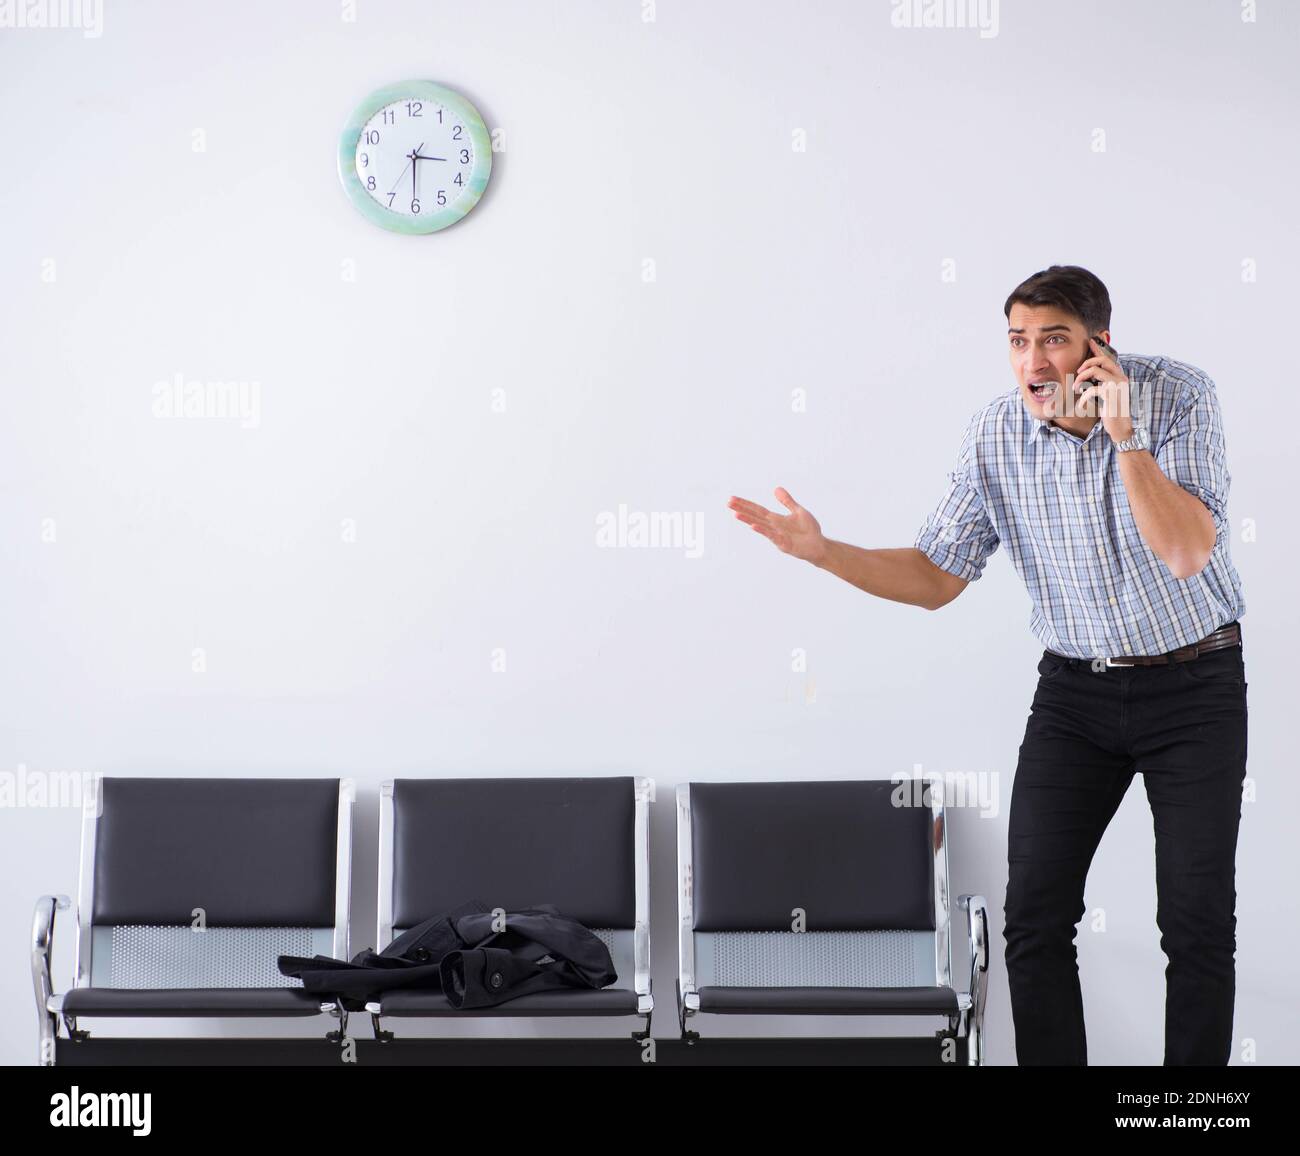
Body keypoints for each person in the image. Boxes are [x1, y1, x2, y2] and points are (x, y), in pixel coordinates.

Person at [727, 264, 1248, 1066]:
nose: (1034, 363)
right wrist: (825, 552)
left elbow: (1185, 552)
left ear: (1099, 344)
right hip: (1076, 692)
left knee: (1196, 919)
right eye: (1018, 342)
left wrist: (1124, 437)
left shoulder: (1179, 396)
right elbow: (937, 577)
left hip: (1195, 685)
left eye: (1054, 341)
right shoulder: (994, 435)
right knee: (1035, 918)